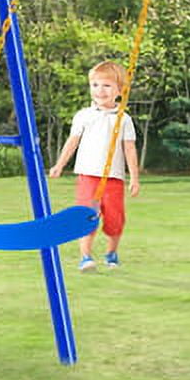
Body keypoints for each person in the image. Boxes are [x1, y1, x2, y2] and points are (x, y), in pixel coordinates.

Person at [48, 60, 140, 271]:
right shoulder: (83, 116)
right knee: (86, 215)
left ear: (119, 90)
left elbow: (129, 149)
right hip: (88, 176)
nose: (100, 90)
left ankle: (111, 253)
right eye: (95, 85)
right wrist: (59, 165)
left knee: (115, 219)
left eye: (107, 86)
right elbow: (72, 142)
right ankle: (86, 257)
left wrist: (134, 177)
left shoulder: (123, 119)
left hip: (114, 178)